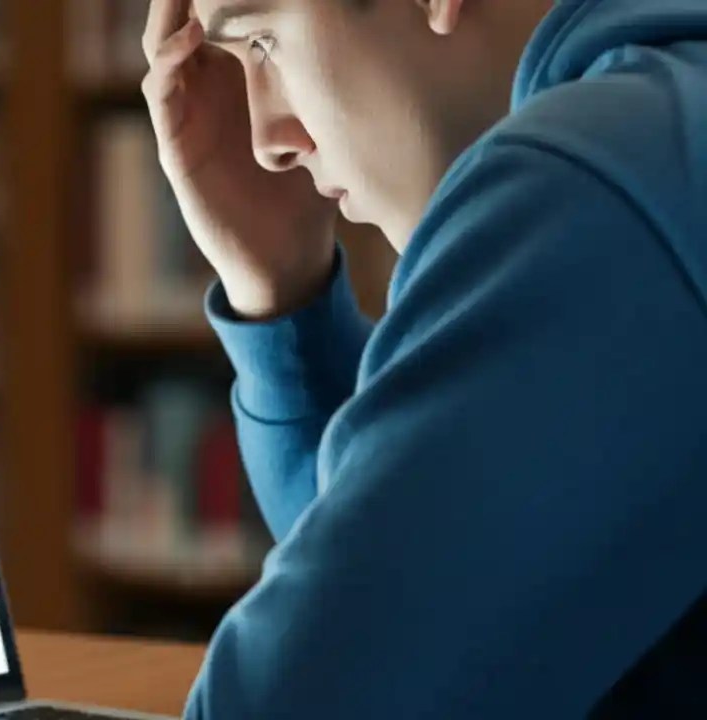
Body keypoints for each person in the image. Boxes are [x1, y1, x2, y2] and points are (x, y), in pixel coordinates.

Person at [140, 0, 707, 716]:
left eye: (262, 40)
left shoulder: (606, 174)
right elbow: (421, 615)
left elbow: (311, 694)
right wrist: (281, 298)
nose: (267, 141)